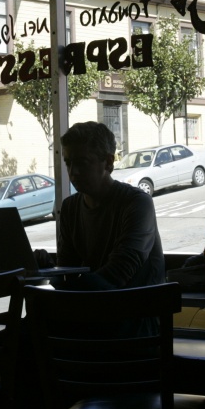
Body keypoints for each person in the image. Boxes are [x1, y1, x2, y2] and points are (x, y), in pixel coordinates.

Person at [55, 121, 164, 292]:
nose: (73, 171)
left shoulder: (137, 203)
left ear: (108, 162)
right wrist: (45, 267)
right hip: (99, 304)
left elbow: (120, 271)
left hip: (138, 305)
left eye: (82, 162)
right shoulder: (70, 208)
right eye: (68, 163)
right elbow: (67, 269)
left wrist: (70, 289)